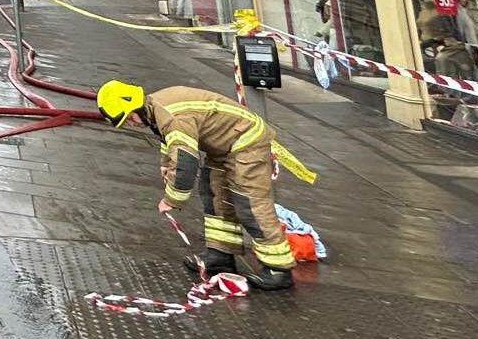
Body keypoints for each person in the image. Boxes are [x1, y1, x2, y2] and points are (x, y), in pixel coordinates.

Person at [96, 79, 315, 291]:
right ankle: (220, 256)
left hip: (247, 143)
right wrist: (165, 164)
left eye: (130, 118)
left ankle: (278, 270)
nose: (133, 123)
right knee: (214, 195)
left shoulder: (172, 116)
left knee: (249, 204)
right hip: (224, 146)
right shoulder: (155, 107)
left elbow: (185, 162)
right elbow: (170, 143)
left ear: (135, 105)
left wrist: (171, 200)